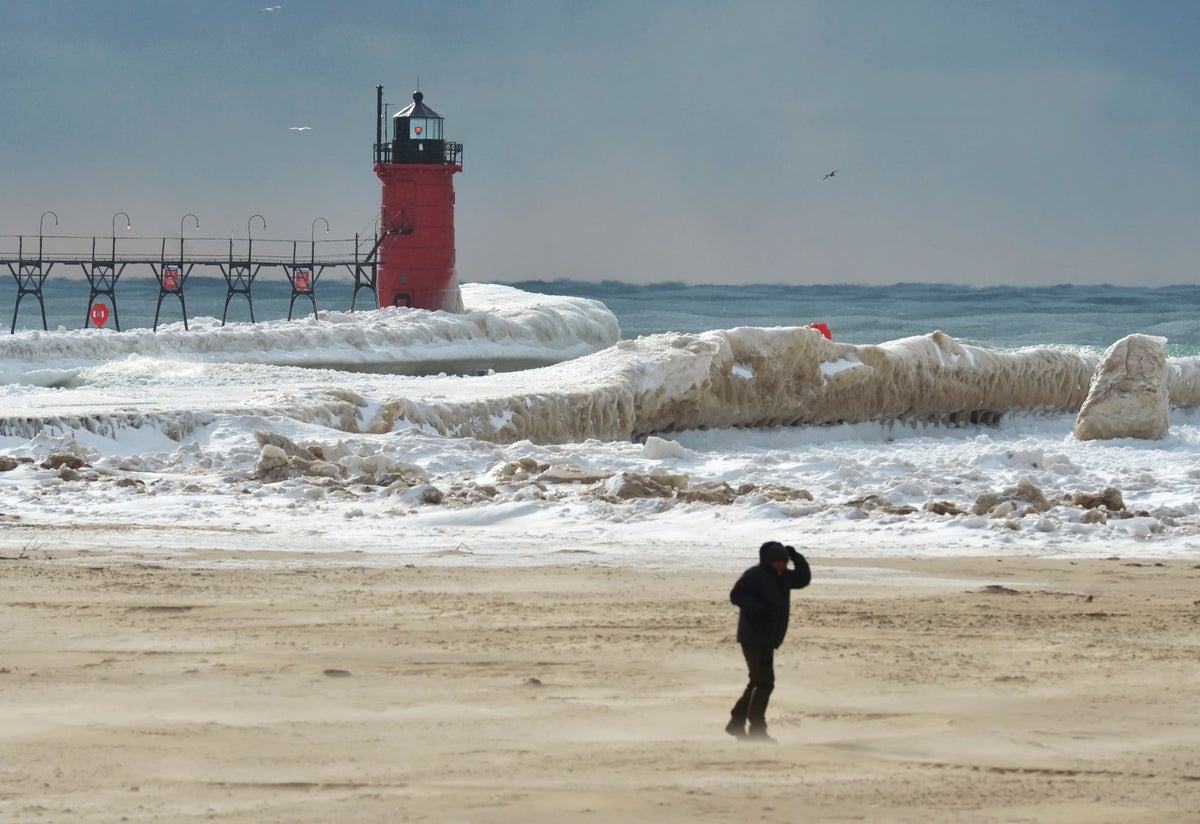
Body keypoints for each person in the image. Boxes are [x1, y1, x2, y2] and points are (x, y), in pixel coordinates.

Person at [727, 540, 811, 742]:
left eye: (784, 561)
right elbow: (736, 595)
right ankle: (756, 728)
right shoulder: (755, 575)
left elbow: (803, 580)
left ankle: (736, 723)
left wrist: (797, 558)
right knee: (764, 682)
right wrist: (758, 609)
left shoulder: (783, 577)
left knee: (758, 681)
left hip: (769, 637)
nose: (782, 565)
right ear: (768, 561)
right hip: (753, 637)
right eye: (778, 562)